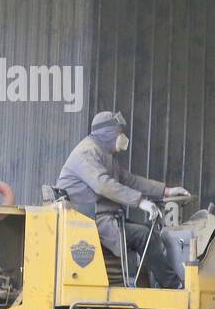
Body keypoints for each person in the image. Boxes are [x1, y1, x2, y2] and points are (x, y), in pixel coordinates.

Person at [55, 111, 190, 288]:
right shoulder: (87, 153)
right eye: (119, 132)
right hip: (88, 220)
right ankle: (174, 287)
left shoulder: (102, 154)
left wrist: (166, 191)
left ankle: (159, 287)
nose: (123, 137)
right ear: (108, 133)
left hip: (99, 217)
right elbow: (103, 184)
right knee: (143, 236)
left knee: (146, 233)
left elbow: (128, 180)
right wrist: (140, 202)